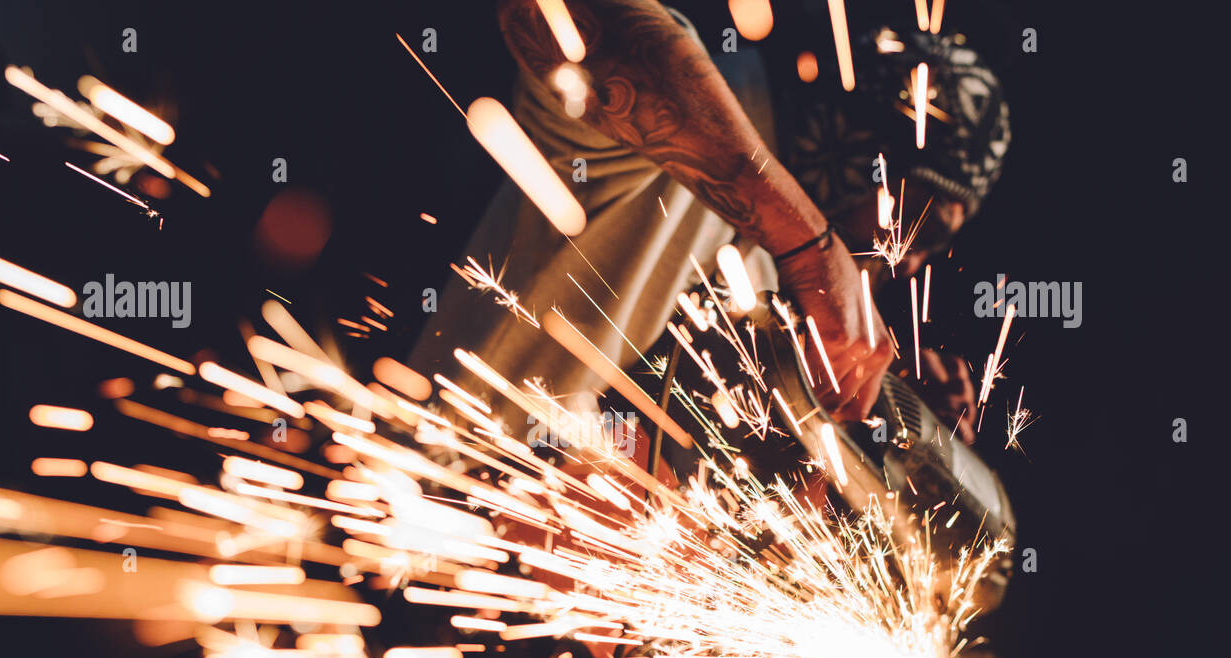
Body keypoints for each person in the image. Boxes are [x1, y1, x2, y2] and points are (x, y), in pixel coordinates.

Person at [410, 0, 1010, 460]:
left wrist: (904, 437)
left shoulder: (754, 274)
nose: (904, 258)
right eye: (918, 218)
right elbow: (566, 20)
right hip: (390, 470)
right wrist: (810, 244)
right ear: (869, 152)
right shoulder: (666, 135)